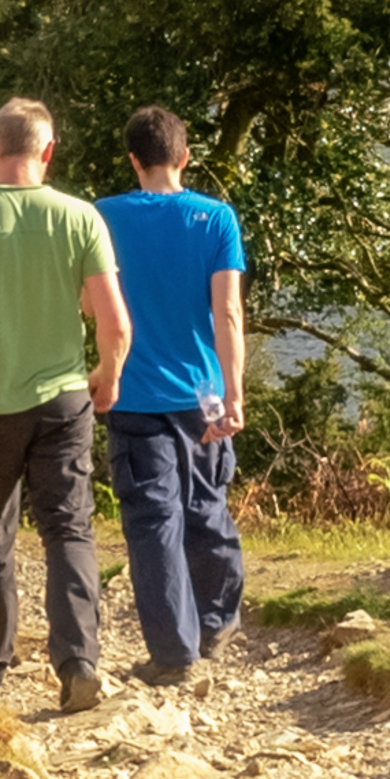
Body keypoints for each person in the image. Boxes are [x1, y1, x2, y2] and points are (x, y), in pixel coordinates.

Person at [0, 97, 129, 707]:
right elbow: (114, 320)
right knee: (69, 530)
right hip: (63, 400)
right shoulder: (81, 218)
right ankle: (79, 660)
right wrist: (108, 376)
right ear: (49, 151)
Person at [93, 105, 251, 689]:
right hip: (203, 391)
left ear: (133, 159)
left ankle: (173, 654)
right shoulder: (216, 218)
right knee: (206, 506)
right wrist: (234, 394)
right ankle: (215, 623)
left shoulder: (102, 218)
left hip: (132, 391)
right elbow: (228, 312)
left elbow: (92, 305)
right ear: (184, 157)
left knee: (153, 523)